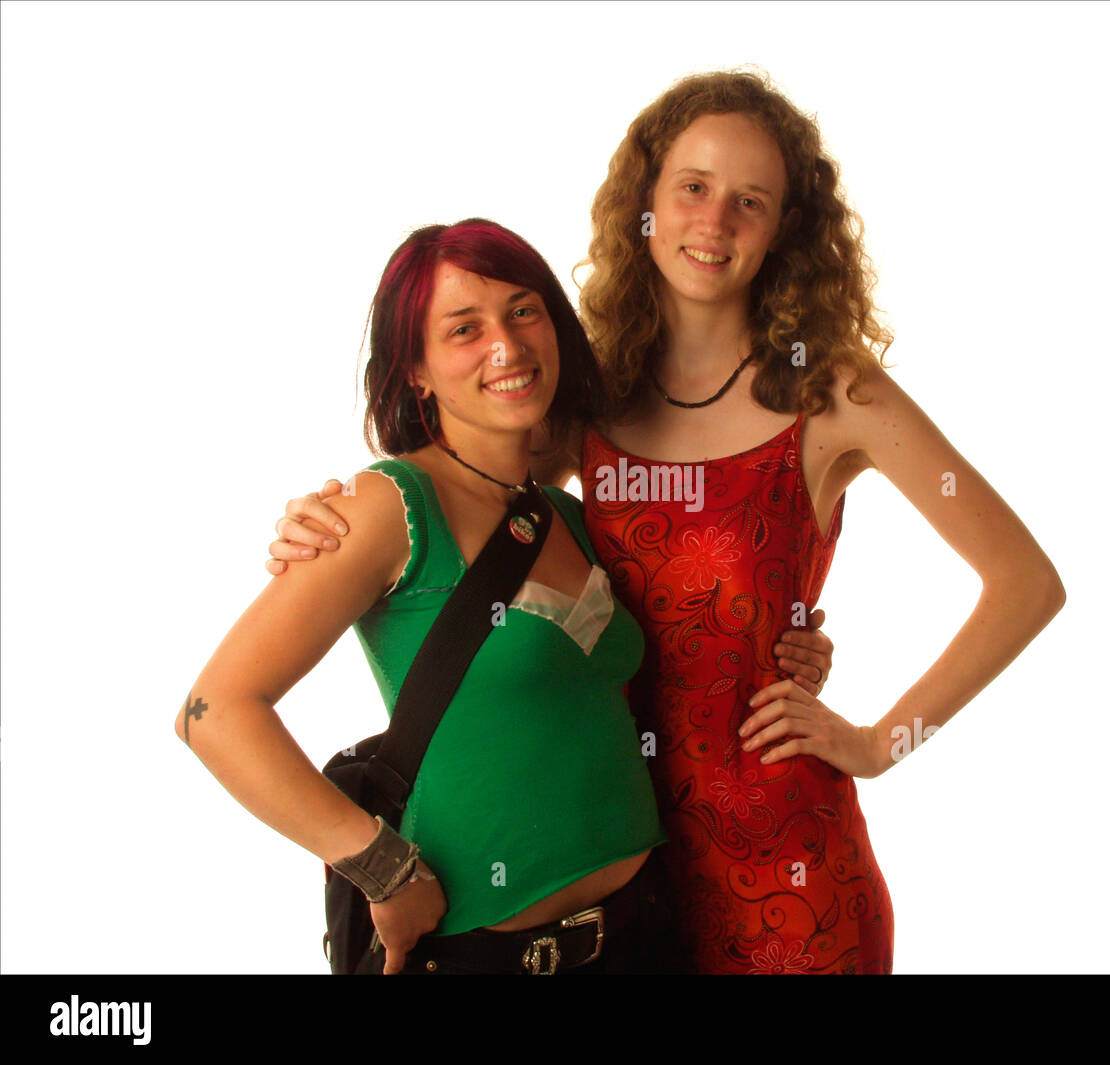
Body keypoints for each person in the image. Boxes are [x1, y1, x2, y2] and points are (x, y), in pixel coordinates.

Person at [267, 71, 1066, 974]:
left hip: (788, 871)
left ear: (786, 231)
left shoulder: (836, 393)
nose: (714, 222)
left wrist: (881, 741)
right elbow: (452, 500)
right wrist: (326, 518)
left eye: (750, 201)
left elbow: (1027, 583)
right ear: (643, 202)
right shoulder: (587, 403)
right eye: (692, 187)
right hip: (625, 875)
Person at [184, 218, 823, 975]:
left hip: (646, 931)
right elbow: (215, 712)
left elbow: (661, 683)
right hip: (484, 956)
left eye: (524, 310)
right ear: (415, 368)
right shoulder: (389, 508)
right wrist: (378, 865)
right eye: (464, 328)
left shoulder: (574, 518)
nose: (507, 346)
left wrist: (784, 652)